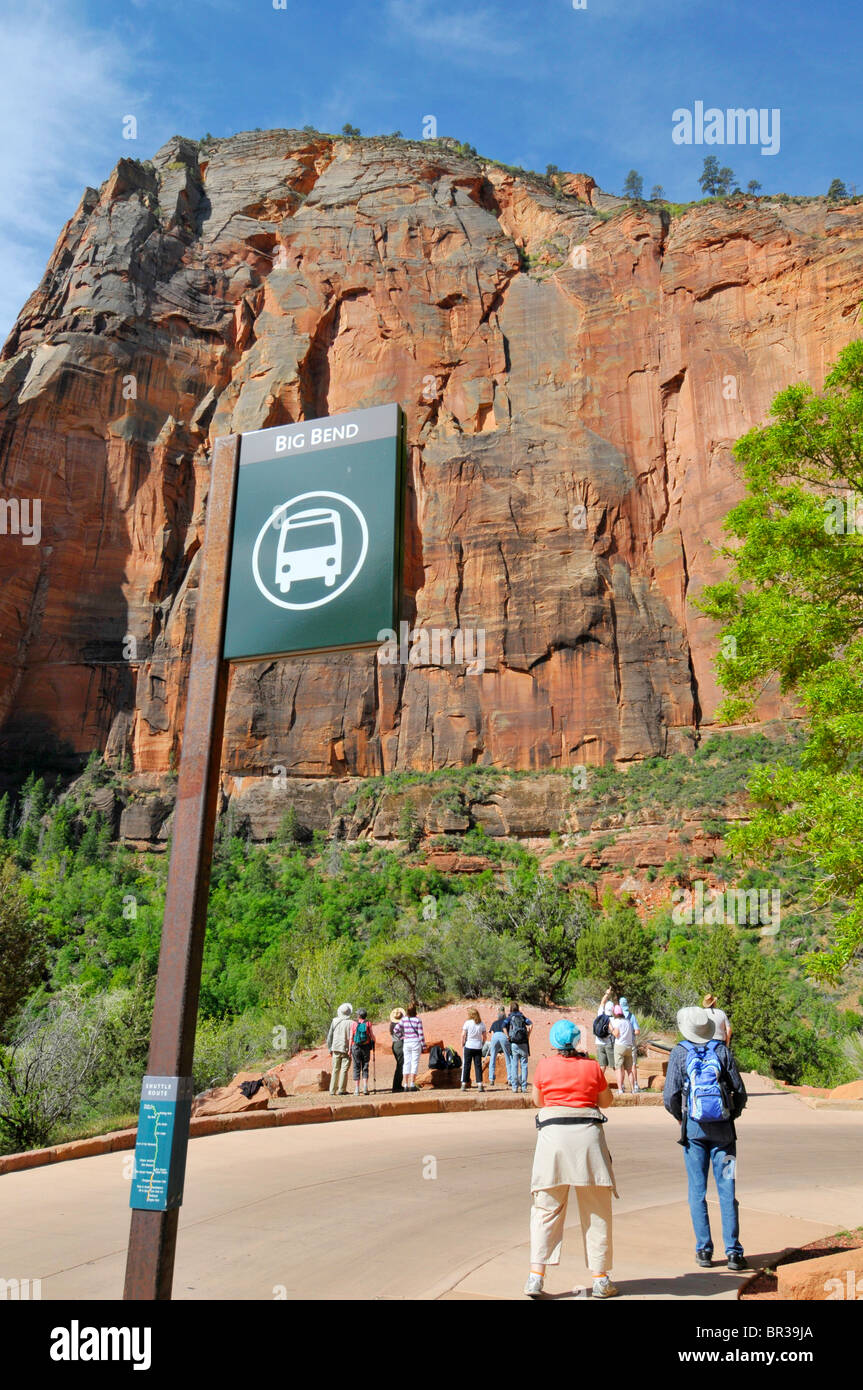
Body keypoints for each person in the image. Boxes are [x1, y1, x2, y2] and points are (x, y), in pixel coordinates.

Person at [525, 1019, 618, 1300]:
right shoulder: (591, 1066)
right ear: (577, 1041)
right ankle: (600, 1279)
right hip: (587, 1141)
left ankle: (535, 1278)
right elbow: (606, 1101)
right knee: (596, 1211)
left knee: (545, 1210)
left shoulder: (544, 1066)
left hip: (552, 1141)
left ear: (554, 1042)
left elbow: (538, 1101)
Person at [663, 1006, 748, 1272]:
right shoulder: (722, 1051)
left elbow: (670, 1096)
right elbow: (740, 1092)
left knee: (697, 1191)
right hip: (724, 1135)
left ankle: (704, 1250)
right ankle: (733, 1252)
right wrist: (730, 1114)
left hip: (694, 1133)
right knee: (727, 1189)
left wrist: (681, 1117)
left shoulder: (679, 1053)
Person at [610, 1003, 639, 1095]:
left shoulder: (616, 1022)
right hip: (629, 1046)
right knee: (629, 1069)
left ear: (614, 1013)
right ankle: (633, 1089)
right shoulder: (627, 1021)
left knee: (618, 1068)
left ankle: (620, 1089)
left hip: (620, 1046)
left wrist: (611, 1028)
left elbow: (616, 1034)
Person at [505, 1001, 533, 1093]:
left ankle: (514, 1087)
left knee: (514, 1065)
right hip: (524, 1043)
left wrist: (508, 1036)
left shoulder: (509, 1017)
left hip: (514, 1044)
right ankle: (524, 1087)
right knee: (524, 1065)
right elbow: (531, 1024)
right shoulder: (522, 1017)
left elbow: (503, 1026)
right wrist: (528, 1035)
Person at [326, 1002, 353, 1096]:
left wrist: (329, 1048)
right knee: (344, 1069)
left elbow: (329, 1036)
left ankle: (332, 1090)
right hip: (346, 1048)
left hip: (336, 1048)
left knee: (335, 1069)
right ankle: (342, 1089)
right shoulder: (352, 1023)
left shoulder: (334, 1021)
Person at [350, 1009, 376, 1096]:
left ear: (359, 1016)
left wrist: (350, 1049)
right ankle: (365, 1088)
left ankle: (357, 1089)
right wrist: (374, 1041)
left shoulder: (353, 1024)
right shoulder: (368, 1023)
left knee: (356, 1067)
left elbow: (351, 1037)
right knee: (365, 1066)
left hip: (356, 1047)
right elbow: (371, 1035)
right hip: (366, 1047)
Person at [400, 1005, 425, 1091]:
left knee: (406, 1062)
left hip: (406, 1043)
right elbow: (421, 1034)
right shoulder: (418, 1020)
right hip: (415, 1042)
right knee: (414, 1062)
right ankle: (412, 1084)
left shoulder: (403, 1020)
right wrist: (423, 1045)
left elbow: (396, 1030)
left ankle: (406, 1084)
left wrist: (402, 1037)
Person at [461, 1008, 487, 1091]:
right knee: (478, 1066)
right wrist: (482, 1043)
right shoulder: (481, 1024)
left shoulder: (467, 1023)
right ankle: (480, 1084)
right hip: (478, 1046)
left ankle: (464, 1084)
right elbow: (485, 1036)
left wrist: (463, 1043)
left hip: (468, 1045)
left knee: (466, 1065)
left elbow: (463, 1035)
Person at [592, 989, 616, 1077]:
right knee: (614, 1066)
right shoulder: (614, 1020)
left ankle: (597, 1083)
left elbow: (602, 1002)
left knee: (602, 1066)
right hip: (609, 1044)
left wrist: (607, 993)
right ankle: (621, 1085)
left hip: (598, 1043)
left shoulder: (600, 1014)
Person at [488, 1006, 513, 1088]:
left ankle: (491, 1079)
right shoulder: (506, 1022)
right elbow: (509, 1032)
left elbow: (491, 1033)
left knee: (492, 1057)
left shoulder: (494, 1023)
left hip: (495, 1036)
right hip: (503, 1035)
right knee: (507, 1057)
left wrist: (493, 1044)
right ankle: (510, 1079)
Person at [390, 1008, 405, 1093]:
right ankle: (396, 1086)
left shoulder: (392, 1024)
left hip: (395, 1044)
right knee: (400, 1065)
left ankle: (397, 1085)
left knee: (400, 1065)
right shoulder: (399, 1025)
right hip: (399, 1044)